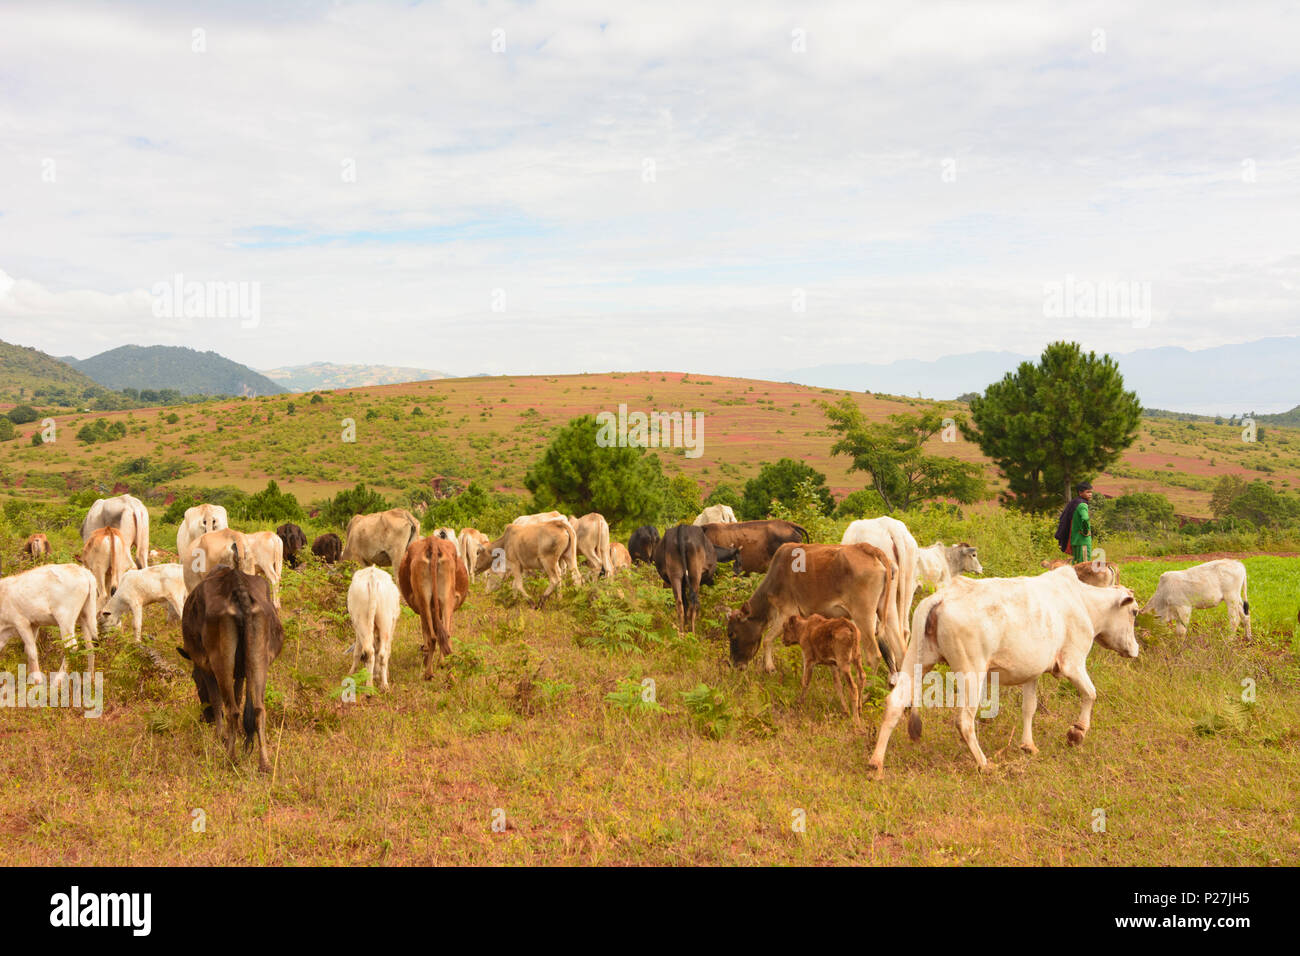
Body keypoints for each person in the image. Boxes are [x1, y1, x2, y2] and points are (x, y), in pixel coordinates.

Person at [1054, 481, 1094, 563]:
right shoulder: (1082, 505)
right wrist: (1086, 531)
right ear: (1080, 492)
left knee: (1076, 564)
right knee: (1085, 565)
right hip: (1083, 541)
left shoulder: (1074, 503)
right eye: (1088, 492)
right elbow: (1085, 518)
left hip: (1075, 540)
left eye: (1091, 492)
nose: (1090, 494)